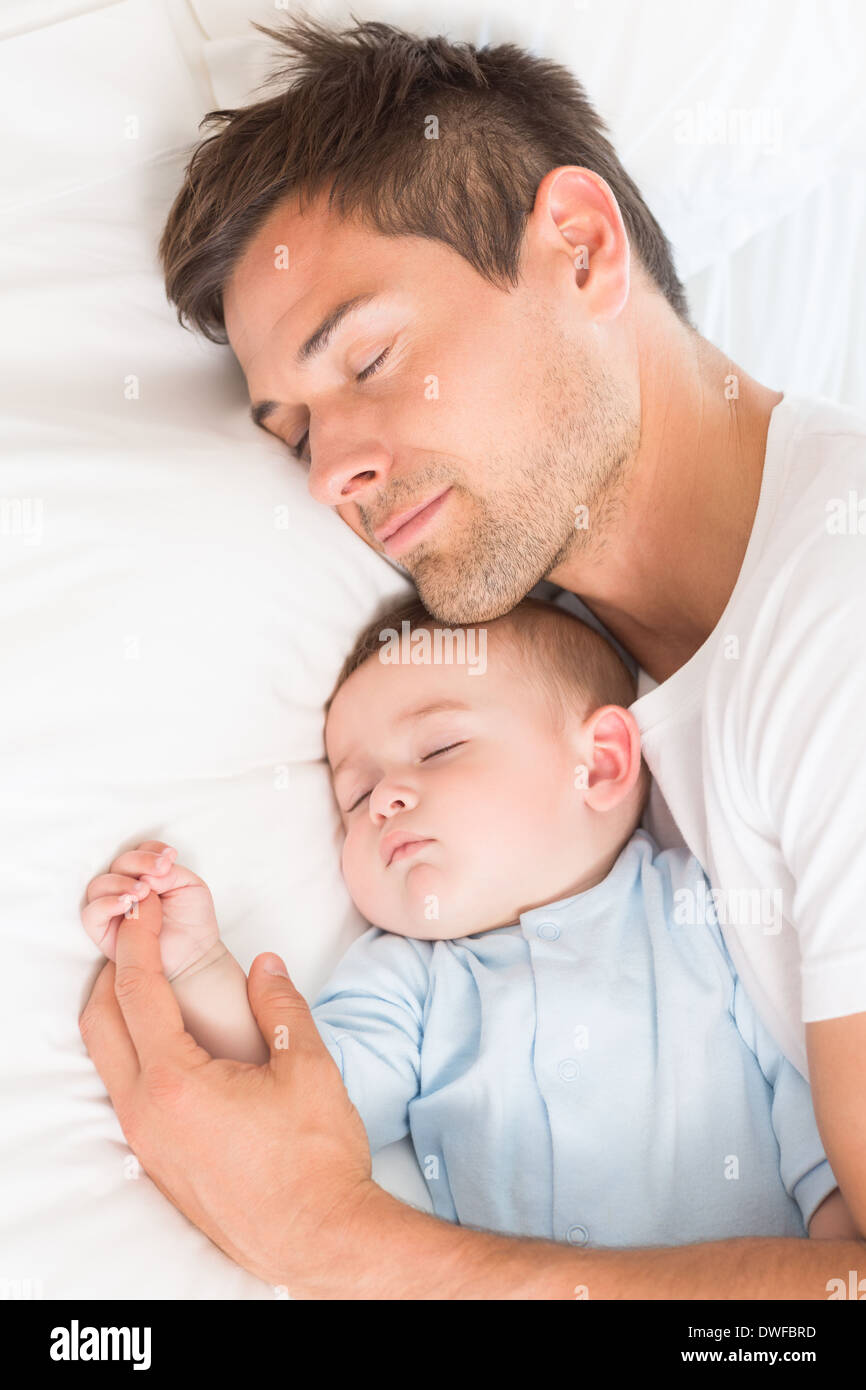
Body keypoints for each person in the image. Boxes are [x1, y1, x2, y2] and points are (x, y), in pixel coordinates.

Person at [80, 15, 866, 1296]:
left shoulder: (839, 616)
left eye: (370, 360)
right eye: (293, 435)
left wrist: (328, 1238)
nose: (334, 472)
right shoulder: (575, 665)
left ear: (578, 245)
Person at [81, 596, 857, 1249]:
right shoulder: (408, 979)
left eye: (440, 748)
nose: (385, 798)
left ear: (605, 763)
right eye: (355, 798)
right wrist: (193, 966)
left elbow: (813, 1112)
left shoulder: (706, 912)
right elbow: (311, 1101)